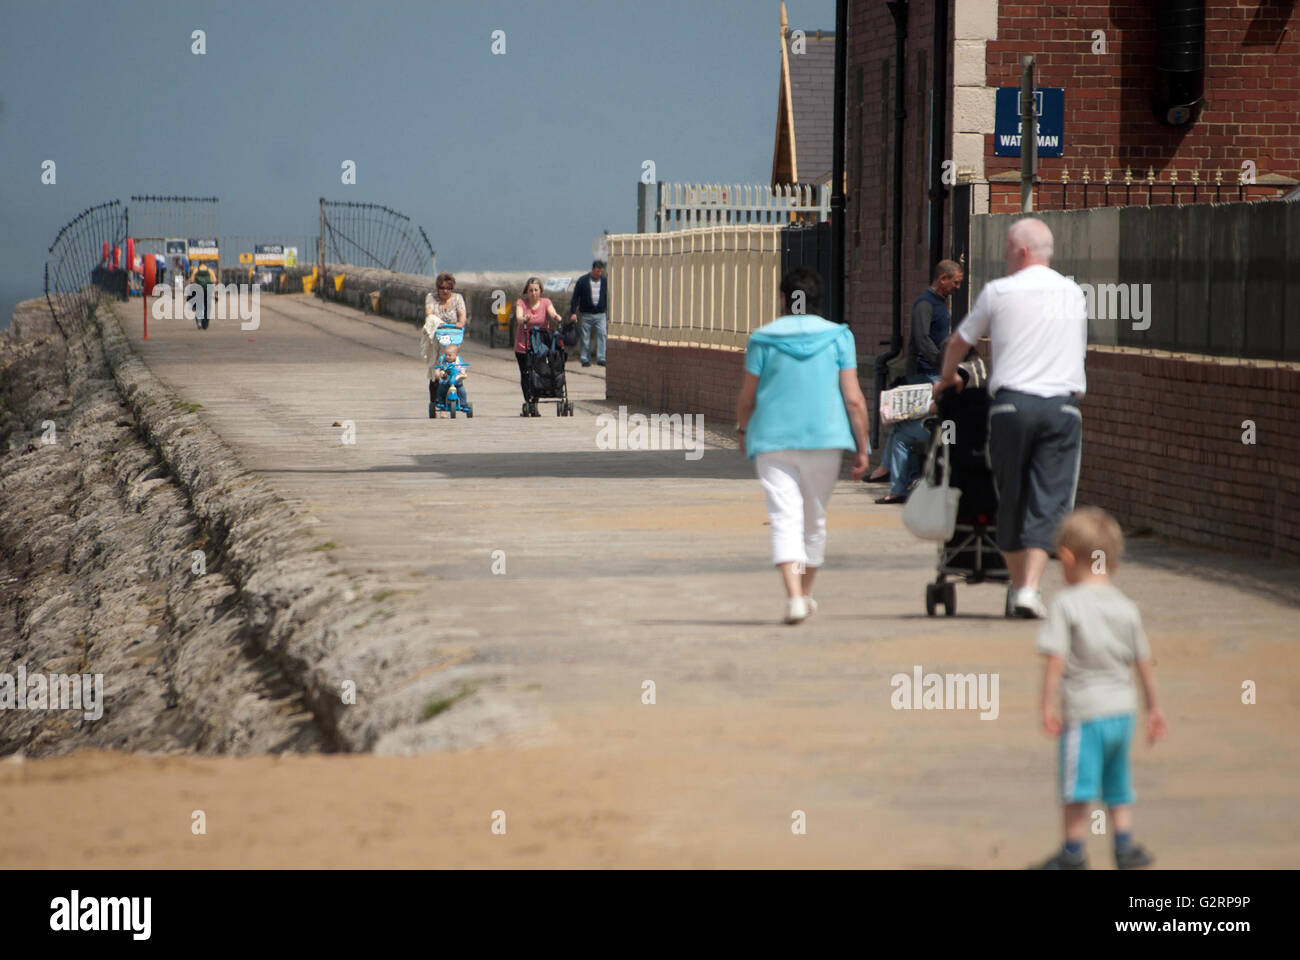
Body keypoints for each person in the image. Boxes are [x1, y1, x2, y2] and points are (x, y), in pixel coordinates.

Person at [935, 217, 1087, 618]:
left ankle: (1021, 586)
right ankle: (1027, 590)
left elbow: (958, 341)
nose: (1003, 256)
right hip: (1060, 408)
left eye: (1006, 249)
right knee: (1048, 499)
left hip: (1010, 408)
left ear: (1022, 251)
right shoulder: (1073, 293)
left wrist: (947, 378)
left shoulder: (998, 292)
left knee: (1011, 496)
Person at [735, 267, 870, 625]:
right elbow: (854, 398)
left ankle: (795, 597)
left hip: (772, 441)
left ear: (784, 299)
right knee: (814, 520)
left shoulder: (763, 338)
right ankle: (804, 593)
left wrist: (742, 429)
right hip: (825, 441)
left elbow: (747, 397)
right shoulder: (839, 336)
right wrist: (863, 448)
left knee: (783, 518)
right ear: (818, 301)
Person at [1033, 507, 1165, 870]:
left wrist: (1046, 704)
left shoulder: (1066, 604)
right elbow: (1143, 661)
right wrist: (1154, 708)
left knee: (1076, 787)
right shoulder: (1126, 607)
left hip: (1085, 712)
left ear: (1069, 557)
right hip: (1122, 712)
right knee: (1118, 783)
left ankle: (1073, 852)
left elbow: (1056, 660)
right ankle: (1125, 848)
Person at [871, 260, 964, 503]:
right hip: (926, 374)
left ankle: (897, 479)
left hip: (932, 373)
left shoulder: (939, 304)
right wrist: (942, 365)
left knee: (906, 430)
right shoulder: (925, 304)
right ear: (942, 279)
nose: (958, 287)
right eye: (955, 282)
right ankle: (897, 478)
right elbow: (922, 339)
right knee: (909, 426)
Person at [514, 276, 563, 417]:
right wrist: (524, 319)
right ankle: (528, 401)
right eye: (530, 290)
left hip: (540, 346)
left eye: (536, 290)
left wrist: (556, 317)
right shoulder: (521, 302)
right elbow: (518, 318)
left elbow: (552, 312)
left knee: (539, 372)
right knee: (525, 373)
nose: (533, 293)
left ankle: (534, 401)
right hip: (523, 345)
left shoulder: (546, 302)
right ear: (526, 292)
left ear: (540, 291)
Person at [569, 260, 608, 367]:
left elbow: (607, 297)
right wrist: (573, 312)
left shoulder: (604, 282)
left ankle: (601, 357)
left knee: (602, 334)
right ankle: (585, 358)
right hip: (586, 314)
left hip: (600, 314)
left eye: (601, 272)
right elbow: (575, 297)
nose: (599, 274)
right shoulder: (582, 281)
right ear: (593, 269)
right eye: (597, 271)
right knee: (585, 337)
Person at [432, 343, 469, 412]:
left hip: (456, 381)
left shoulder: (458, 361)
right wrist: (438, 372)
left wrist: (462, 373)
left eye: (450, 355)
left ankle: (463, 404)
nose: (447, 357)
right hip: (446, 380)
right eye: (446, 355)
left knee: (462, 391)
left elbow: (462, 368)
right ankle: (441, 402)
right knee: (441, 390)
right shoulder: (443, 361)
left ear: (456, 355)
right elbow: (438, 367)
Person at [191, 261, 215, 330]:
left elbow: (192, 281)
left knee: (199, 307)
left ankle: (199, 322)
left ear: (199, 264)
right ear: (205, 264)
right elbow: (214, 281)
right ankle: (205, 324)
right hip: (208, 291)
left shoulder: (196, 270)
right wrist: (215, 294)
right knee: (207, 308)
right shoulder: (210, 270)